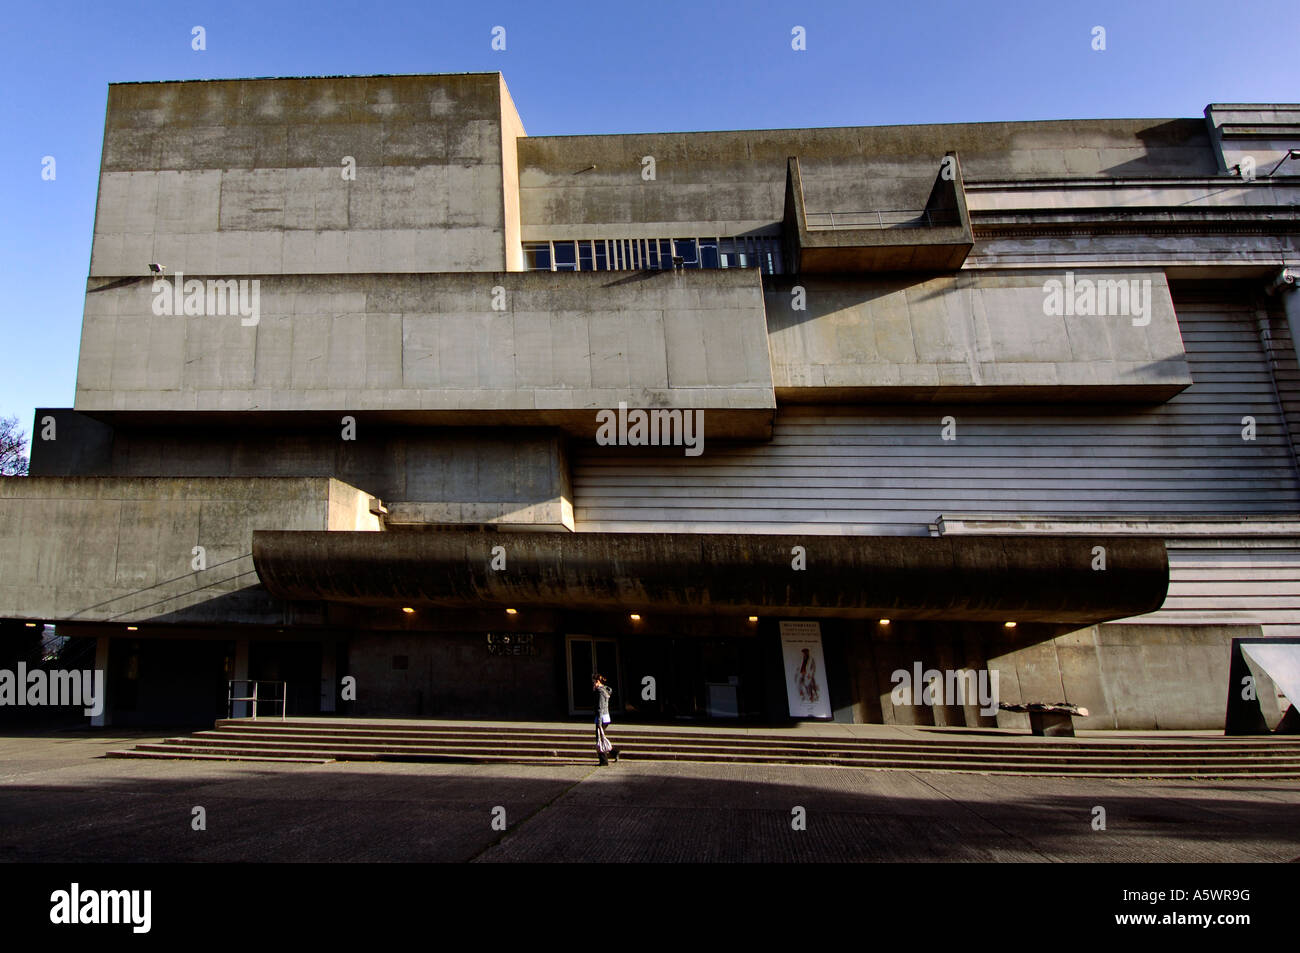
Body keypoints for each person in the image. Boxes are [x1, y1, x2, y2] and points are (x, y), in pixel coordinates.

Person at [592, 673, 619, 765]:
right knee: (601, 737)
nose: (594, 684)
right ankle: (614, 752)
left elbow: (600, 707)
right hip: (606, 717)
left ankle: (604, 760)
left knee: (599, 739)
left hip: (601, 718)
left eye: (594, 682)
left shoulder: (600, 692)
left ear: (598, 682)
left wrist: (599, 722)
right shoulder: (605, 690)